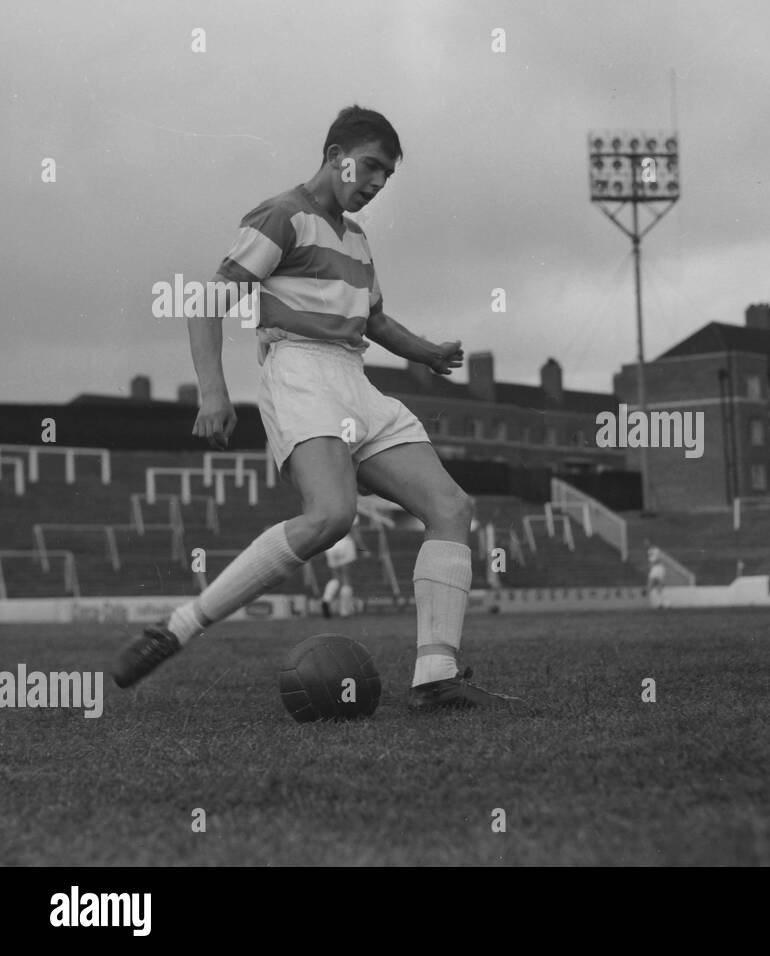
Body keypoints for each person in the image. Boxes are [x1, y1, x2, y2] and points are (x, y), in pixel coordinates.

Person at [111, 105, 517, 710]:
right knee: (331, 516)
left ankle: (435, 675)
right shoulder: (282, 215)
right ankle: (178, 627)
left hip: (355, 378)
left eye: (387, 176)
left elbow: (372, 317)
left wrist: (427, 353)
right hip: (298, 370)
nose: (377, 184)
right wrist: (214, 391)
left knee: (451, 506)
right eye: (372, 167)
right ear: (335, 155)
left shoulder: (356, 237)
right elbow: (206, 302)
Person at [320, 517, 364, 618]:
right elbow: (355, 533)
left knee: (335, 577)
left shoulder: (329, 509)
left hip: (331, 546)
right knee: (346, 578)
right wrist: (362, 548)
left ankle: (326, 600)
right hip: (345, 544)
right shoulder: (351, 510)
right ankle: (345, 611)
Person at [646, 543, 667, 609]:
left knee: (652, 586)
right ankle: (661, 604)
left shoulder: (656, 550)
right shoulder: (649, 551)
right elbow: (651, 563)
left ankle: (661, 603)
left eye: (647, 542)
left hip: (658, 569)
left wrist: (653, 562)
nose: (646, 544)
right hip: (655, 569)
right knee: (656, 588)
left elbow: (659, 560)